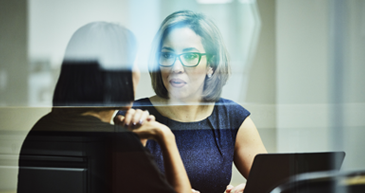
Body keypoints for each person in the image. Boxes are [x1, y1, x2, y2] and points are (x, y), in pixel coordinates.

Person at [17, 22, 191, 193]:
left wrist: (137, 144)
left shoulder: (42, 129)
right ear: (119, 73)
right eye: (134, 63)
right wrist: (165, 136)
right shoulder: (114, 142)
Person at [115, 10, 267, 193]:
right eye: (167, 55)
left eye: (189, 57)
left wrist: (251, 191)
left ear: (211, 65)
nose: (176, 67)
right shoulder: (135, 117)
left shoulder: (232, 117)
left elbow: (276, 184)